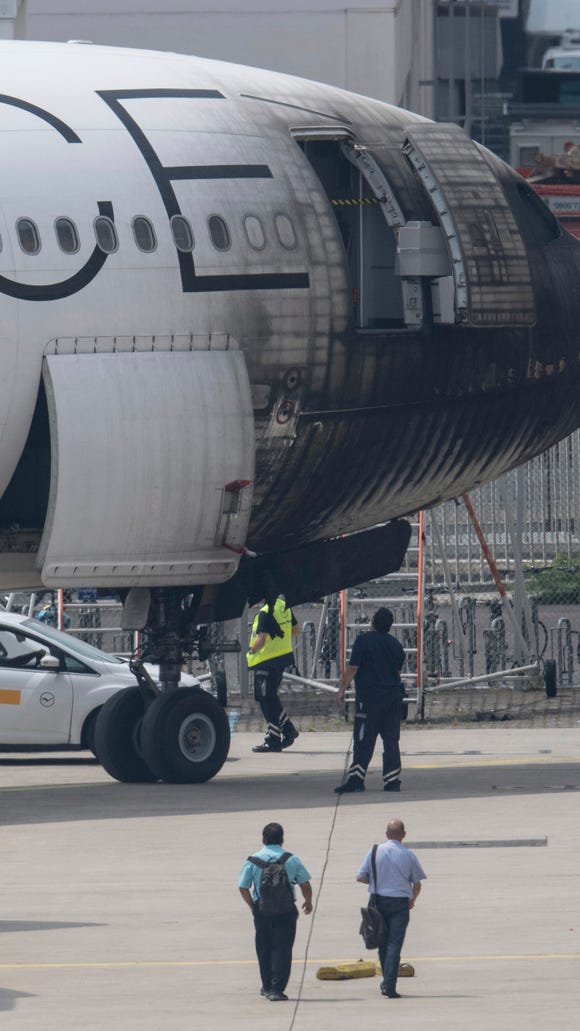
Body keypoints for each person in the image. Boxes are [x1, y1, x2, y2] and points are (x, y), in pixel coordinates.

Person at [238, 821, 313, 1001]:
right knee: (283, 948)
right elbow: (305, 884)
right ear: (282, 840)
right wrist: (308, 901)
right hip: (286, 910)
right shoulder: (291, 859)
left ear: (263, 839)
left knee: (264, 948)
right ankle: (277, 989)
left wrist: (253, 907)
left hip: (262, 910)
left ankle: (266, 986)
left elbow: (243, 886)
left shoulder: (253, 860)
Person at [335, 606, 405, 793]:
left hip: (370, 699)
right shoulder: (397, 646)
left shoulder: (363, 641)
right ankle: (392, 780)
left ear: (373, 623)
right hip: (392, 699)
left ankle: (357, 779)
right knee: (391, 739)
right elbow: (397, 673)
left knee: (363, 739)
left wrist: (342, 689)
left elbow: (353, 668)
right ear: (390, 626)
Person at [357, 818, 426, 999]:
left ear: (387, 834)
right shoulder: (409, 855)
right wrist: (412, 899)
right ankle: (389, 984)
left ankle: (387, 982)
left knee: (381, 941)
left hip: (377, 901)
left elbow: (360, 877)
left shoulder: (374, 851)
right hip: (400, 903)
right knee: (395, 944)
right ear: (403, 835)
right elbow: (417, 884)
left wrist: (379, 882)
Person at [247, 592, 300, 753]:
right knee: (270, 696)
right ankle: (288, 729)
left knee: (264, 698)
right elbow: (296, 630)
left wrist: (251, 650)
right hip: (282, 658)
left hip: (265, 661)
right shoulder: (284, 607)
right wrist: (280, 642)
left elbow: (261, 639)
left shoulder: (264, 612)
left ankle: (273, 738)